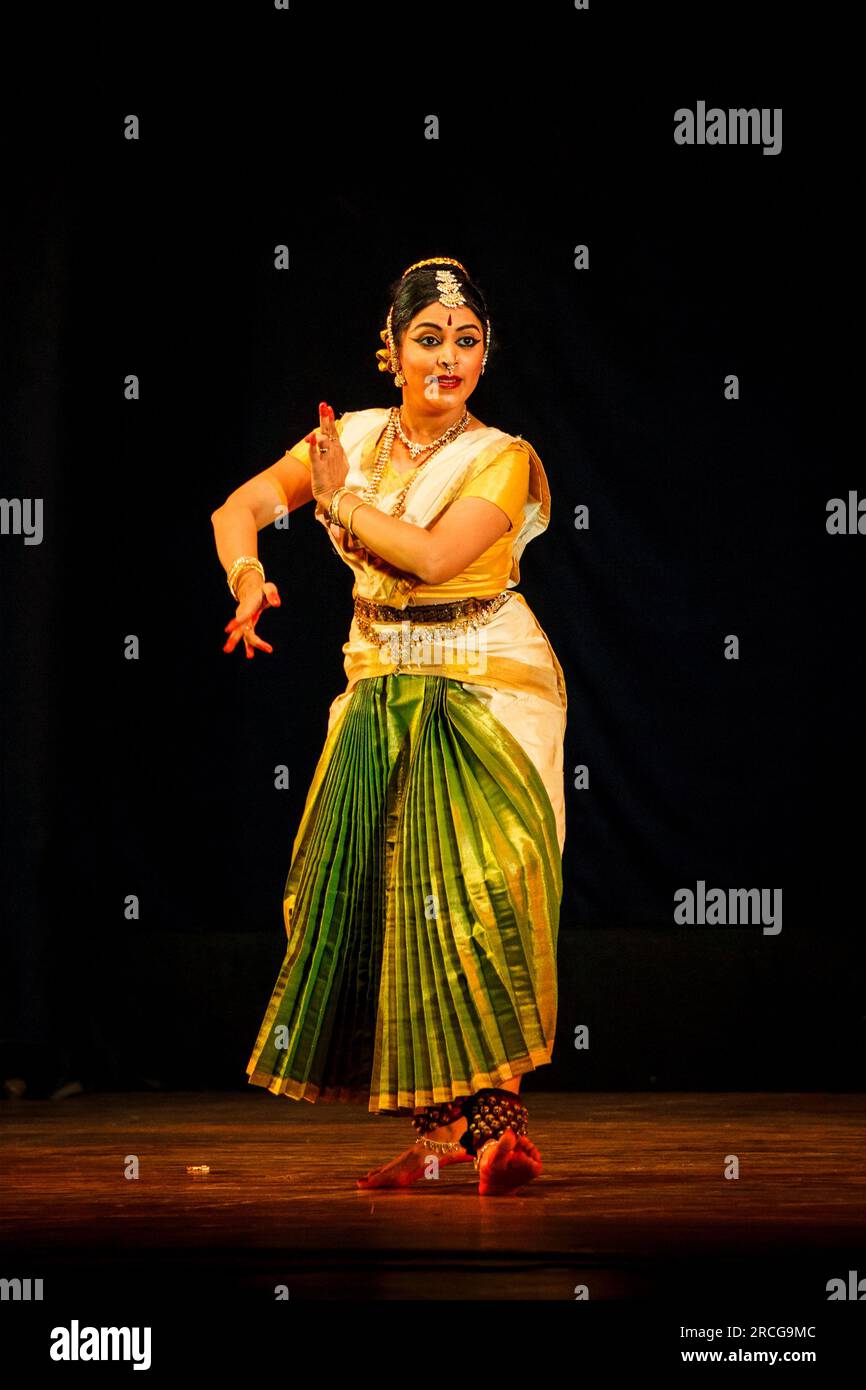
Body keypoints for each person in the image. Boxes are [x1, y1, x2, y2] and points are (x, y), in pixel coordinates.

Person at [211, 257, 567, 1196]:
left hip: (486, 682)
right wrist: (251, 577)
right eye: (428, 340)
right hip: (377, 682)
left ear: (485, 355)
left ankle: (499, 1122)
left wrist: (337, 501)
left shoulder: (502, 456)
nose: (447, 360)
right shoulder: (355, 437)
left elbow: (434, 554)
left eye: (466, 341)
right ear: (391, 350)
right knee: (369, 894)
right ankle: (437, 1133)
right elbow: (237, 508)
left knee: (483, 894)